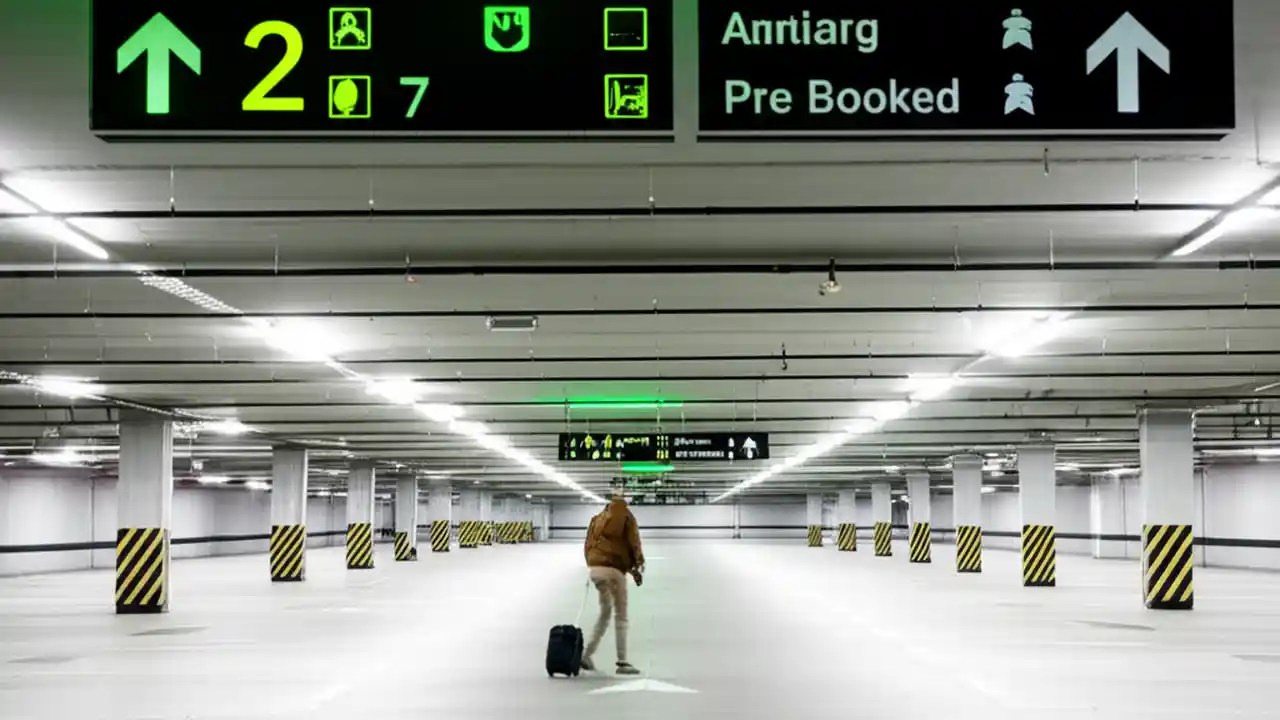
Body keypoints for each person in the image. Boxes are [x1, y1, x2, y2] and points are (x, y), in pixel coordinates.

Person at [581, 490, 645, 675]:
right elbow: (634, 543)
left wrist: (593, 565)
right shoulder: (626, 516)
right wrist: (636, 567)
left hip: (595, 570)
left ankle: (586, 654)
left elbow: (587, 545)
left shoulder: (596, 519)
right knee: (621, 615)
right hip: (615, 570)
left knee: (605, 612)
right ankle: (622, 661)